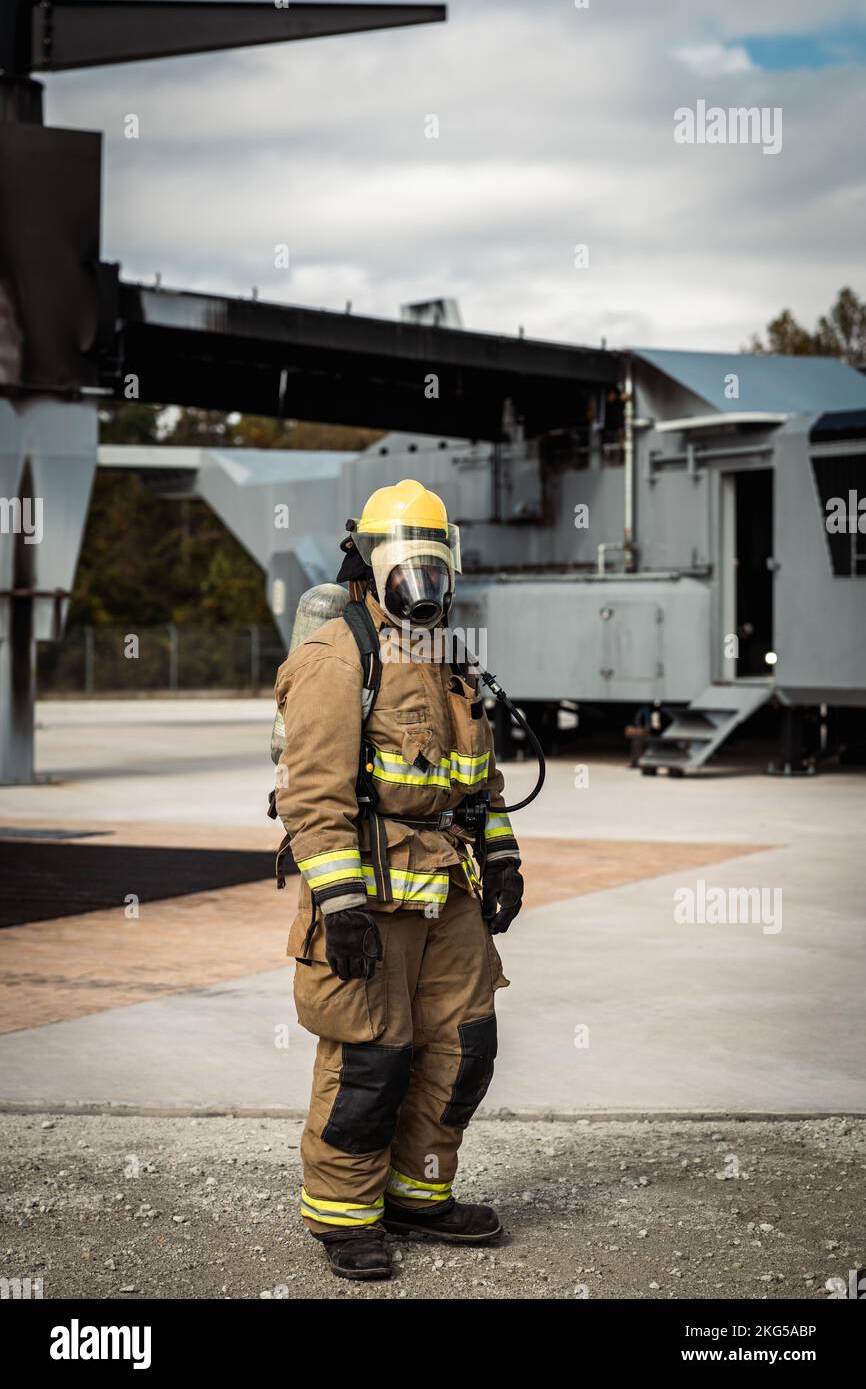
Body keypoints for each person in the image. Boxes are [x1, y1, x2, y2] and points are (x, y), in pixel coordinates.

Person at [273, 478, 524, 1281]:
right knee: (370, 1057)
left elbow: (476, 776)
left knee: (465, 1043)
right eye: (406, 567)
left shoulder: (447, 652)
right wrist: (339, 903)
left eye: (434, 567)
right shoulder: (335, 654)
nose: (423, 587)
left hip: (448, 886)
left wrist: (505, 855)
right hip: (370, 895)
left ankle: (420, 1192)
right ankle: (346, 1216)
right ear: (371, 563)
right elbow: (309, 796)